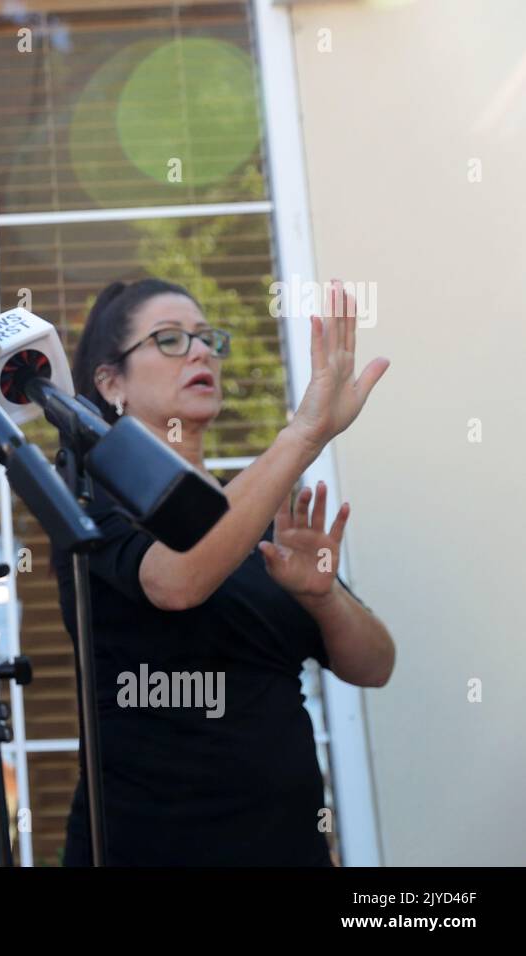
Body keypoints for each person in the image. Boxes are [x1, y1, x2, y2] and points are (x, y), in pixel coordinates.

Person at [54, 277, 395, 866]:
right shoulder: (91, 501)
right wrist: (305, 432)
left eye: (207, 338)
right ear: (111, 383)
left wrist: (321, 598)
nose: (201, 351)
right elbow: (176, 582)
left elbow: (375, 666)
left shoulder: (254, 511)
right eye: (169, 339)